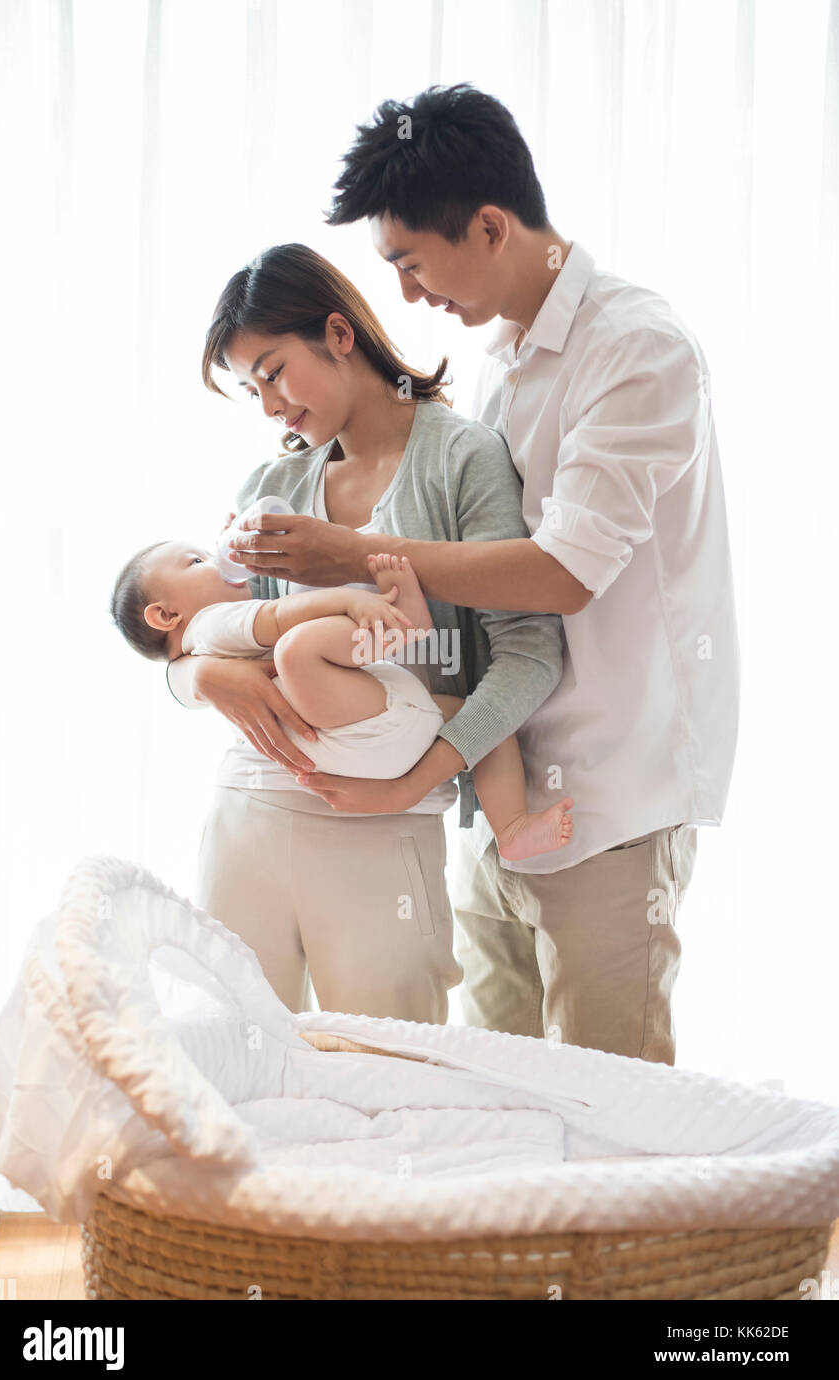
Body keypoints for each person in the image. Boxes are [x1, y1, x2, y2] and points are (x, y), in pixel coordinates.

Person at [229, 84, 741, 1066]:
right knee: (494, 1094)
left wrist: (351, 556)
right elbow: (467, 600)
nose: (408, 294)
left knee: (609, 1101)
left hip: (610, 793)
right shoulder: (502, 360)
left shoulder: (635, 347)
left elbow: (563, 575)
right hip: (498, 781)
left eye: (411, 263)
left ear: (491, 226)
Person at [164, 241, 565, 1026]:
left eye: (274, 372)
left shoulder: (460, 458)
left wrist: (418, 780)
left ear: (339, 334)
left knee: (392, 1069)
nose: (269, 405)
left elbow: (530, 654)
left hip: (386, 826)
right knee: (231, 1058)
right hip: (251, 807)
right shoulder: (271, 488)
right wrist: (201, 676)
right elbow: (189, 627)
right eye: (251, 389)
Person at [110, 538, 573, 860]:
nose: (215, 560)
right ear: (165, 615)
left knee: (479, 722)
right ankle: (402, 627)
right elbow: (278, 614)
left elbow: (185, 681)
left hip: (352, 761)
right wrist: (347, 601)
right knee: (297, 649)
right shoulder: (211, 623)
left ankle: (511, 831)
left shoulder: (202, 658)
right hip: (375, 731)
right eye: (195, 561)